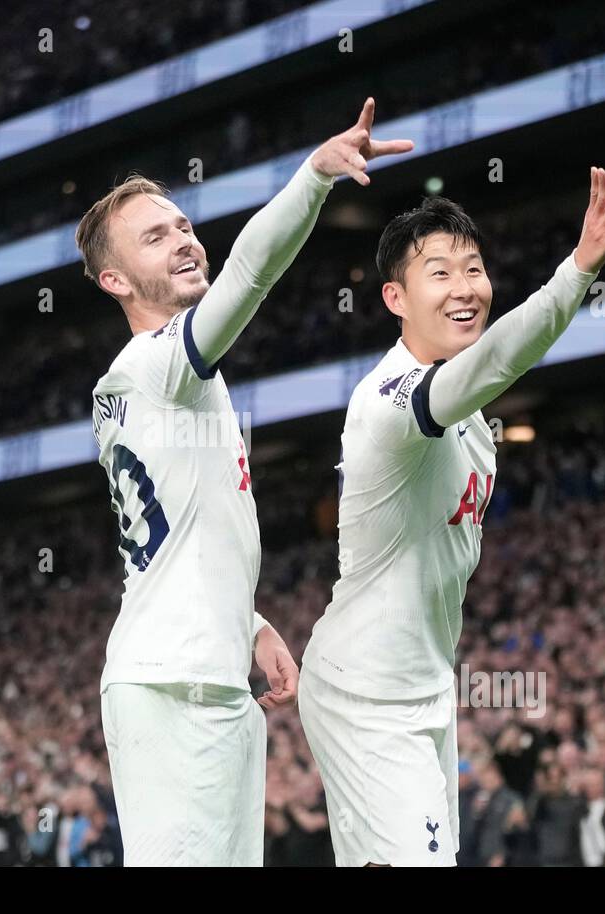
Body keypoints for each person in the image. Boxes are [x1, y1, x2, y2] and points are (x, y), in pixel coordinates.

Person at [75, 98, 411, 865]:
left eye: (184, 226)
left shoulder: (169, 380)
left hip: (203, 674)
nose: (185, 241)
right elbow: (251, 274)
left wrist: (249, 623)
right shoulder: (157, 362)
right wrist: (314, 177)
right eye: (156, 237)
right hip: (172, 687)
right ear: (115, 280)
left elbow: (177, 535)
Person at [300, 169, 605, 865]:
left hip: (423, 685)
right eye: (439, 273)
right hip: (366, 689)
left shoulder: (475, 424)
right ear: (396, 297)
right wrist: (575, 273)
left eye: (475, 269)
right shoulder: (388, 400)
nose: (465, 288)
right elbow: (491, 363)